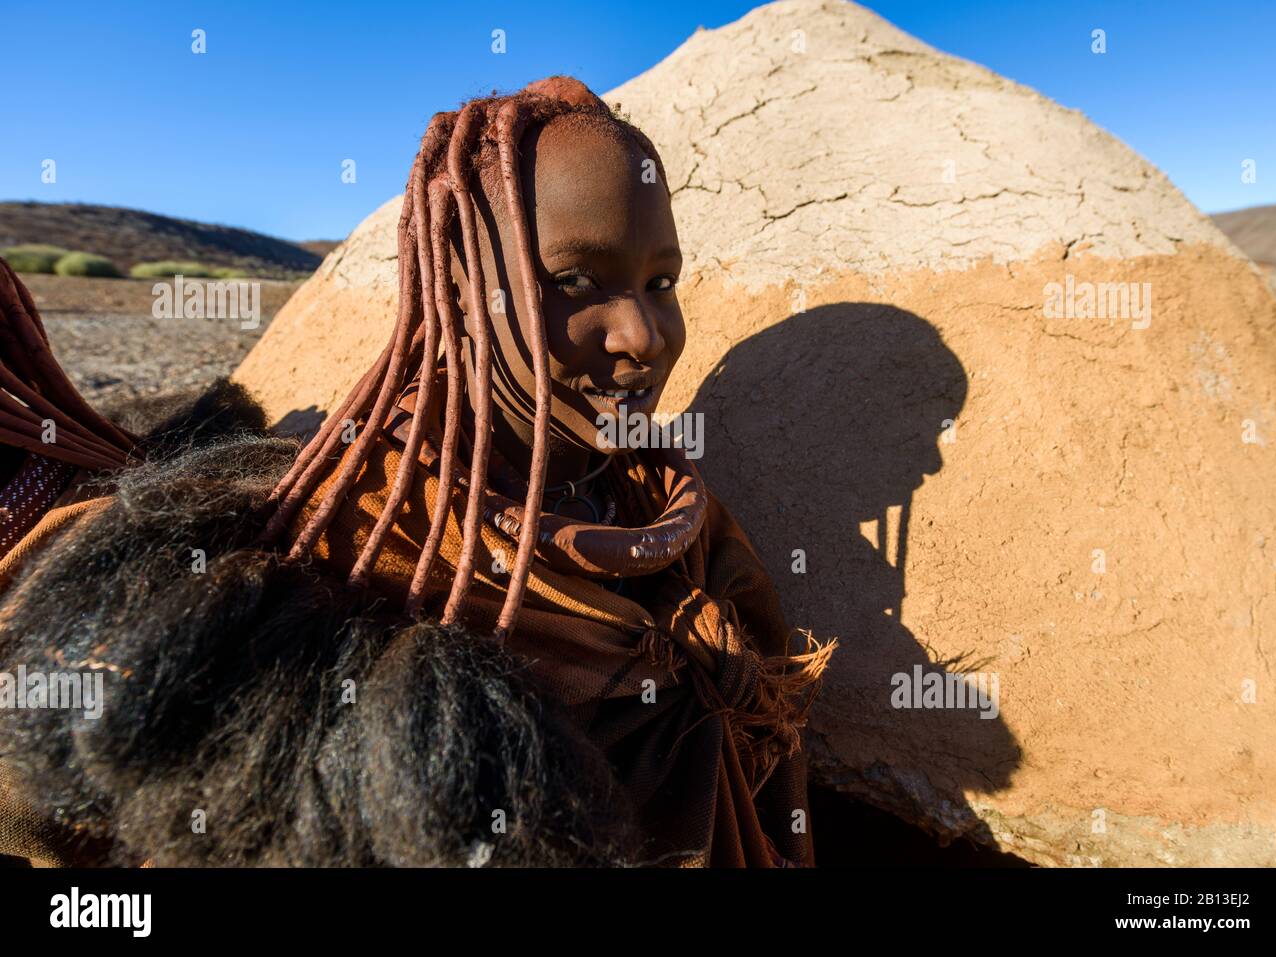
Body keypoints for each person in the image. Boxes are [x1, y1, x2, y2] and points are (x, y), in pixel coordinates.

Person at [1, 76, 833, 867]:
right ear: (471, 291)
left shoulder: (682, 524)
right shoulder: (356, 539)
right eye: (576, 280)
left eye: (660, 283)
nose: (642, 334)